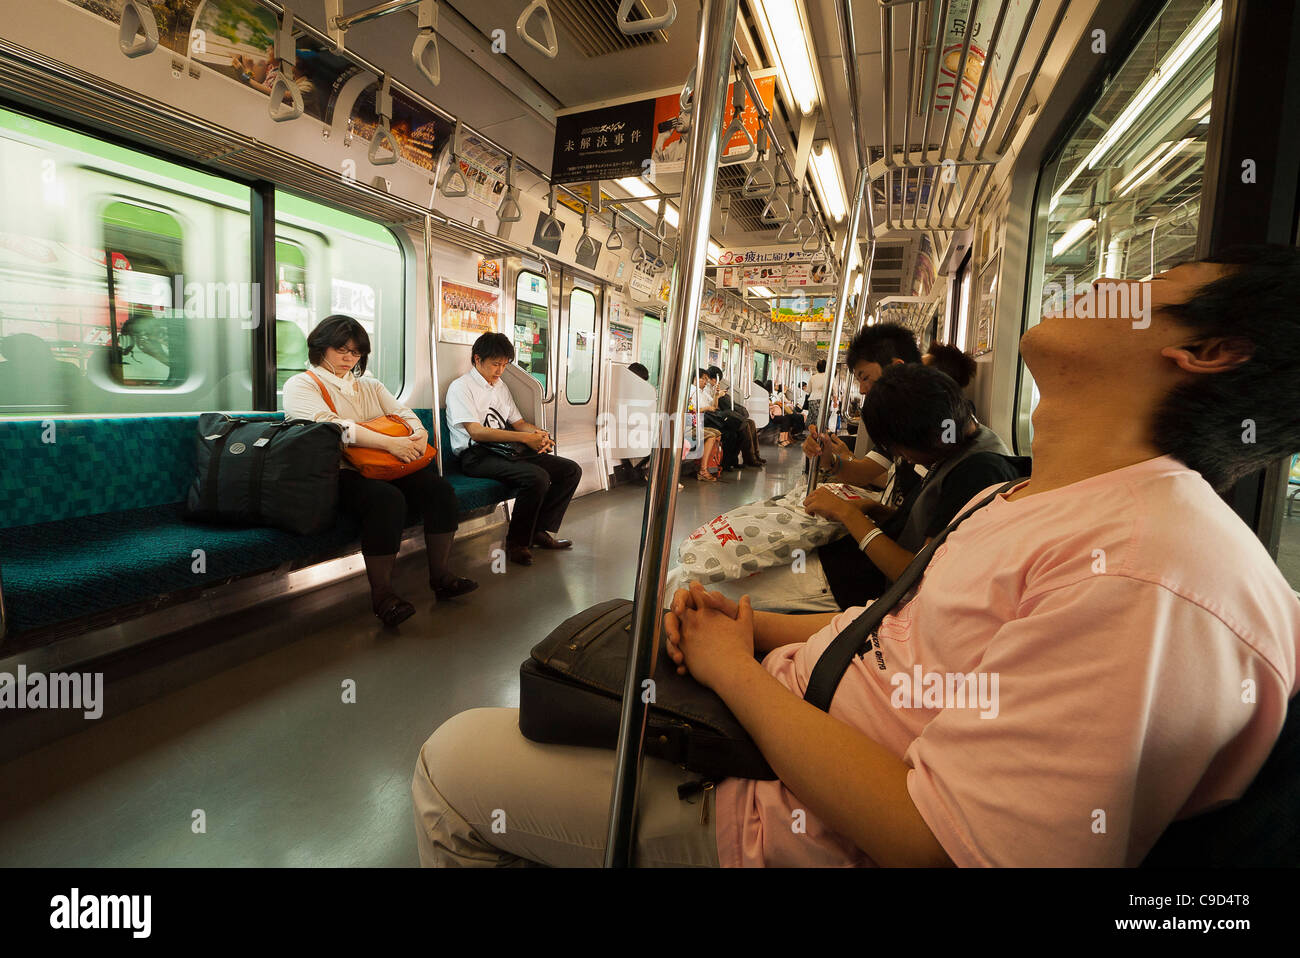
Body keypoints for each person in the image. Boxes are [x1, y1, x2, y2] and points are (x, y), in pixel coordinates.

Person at [413, 248, 1300, 868]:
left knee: (453, 763)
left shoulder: (1152, 570)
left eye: (1147, 285)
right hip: (787, 715)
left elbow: (936, 844)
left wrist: (736, 674)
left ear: (1208, 351)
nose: (1109, 281)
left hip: (795, 821)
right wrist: (752, 627)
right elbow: (901, 638)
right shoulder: (1030, 496)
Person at [283, 315, 476, 628]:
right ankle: (383, 596)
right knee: (386, 500)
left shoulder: (369, 385)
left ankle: (441, 576)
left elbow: (404, 414)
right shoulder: (301, 385)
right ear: (320, 348)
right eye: (341, 350)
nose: (349, 358)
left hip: (381, 465)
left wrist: (420, 434)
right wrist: (390, 444)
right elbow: (334, 428)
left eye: (356, 352)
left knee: (439, 489)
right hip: (336, 472)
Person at [447, 332, 582, 566]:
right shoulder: (461, 387)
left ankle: (539, 531)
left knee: (570, 470)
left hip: (505, 450)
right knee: (536, 477)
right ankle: (517, 543)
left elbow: (519, 423)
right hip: (476, 456)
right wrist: (524, 438)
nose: (500, 371)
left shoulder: (500, 387)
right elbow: (476, 432)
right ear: (477, 359)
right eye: (495, 364)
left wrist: (538, 434)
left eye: (504, 365)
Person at [805, 359, 828, 425]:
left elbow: (809, 390)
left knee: (813, 419)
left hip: (813, 400)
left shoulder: (813, 377)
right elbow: (834, 390)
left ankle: (814, 434)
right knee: (823, 419)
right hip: (824, 400)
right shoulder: (829, 377)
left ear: (817, 368)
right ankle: (821, 434)